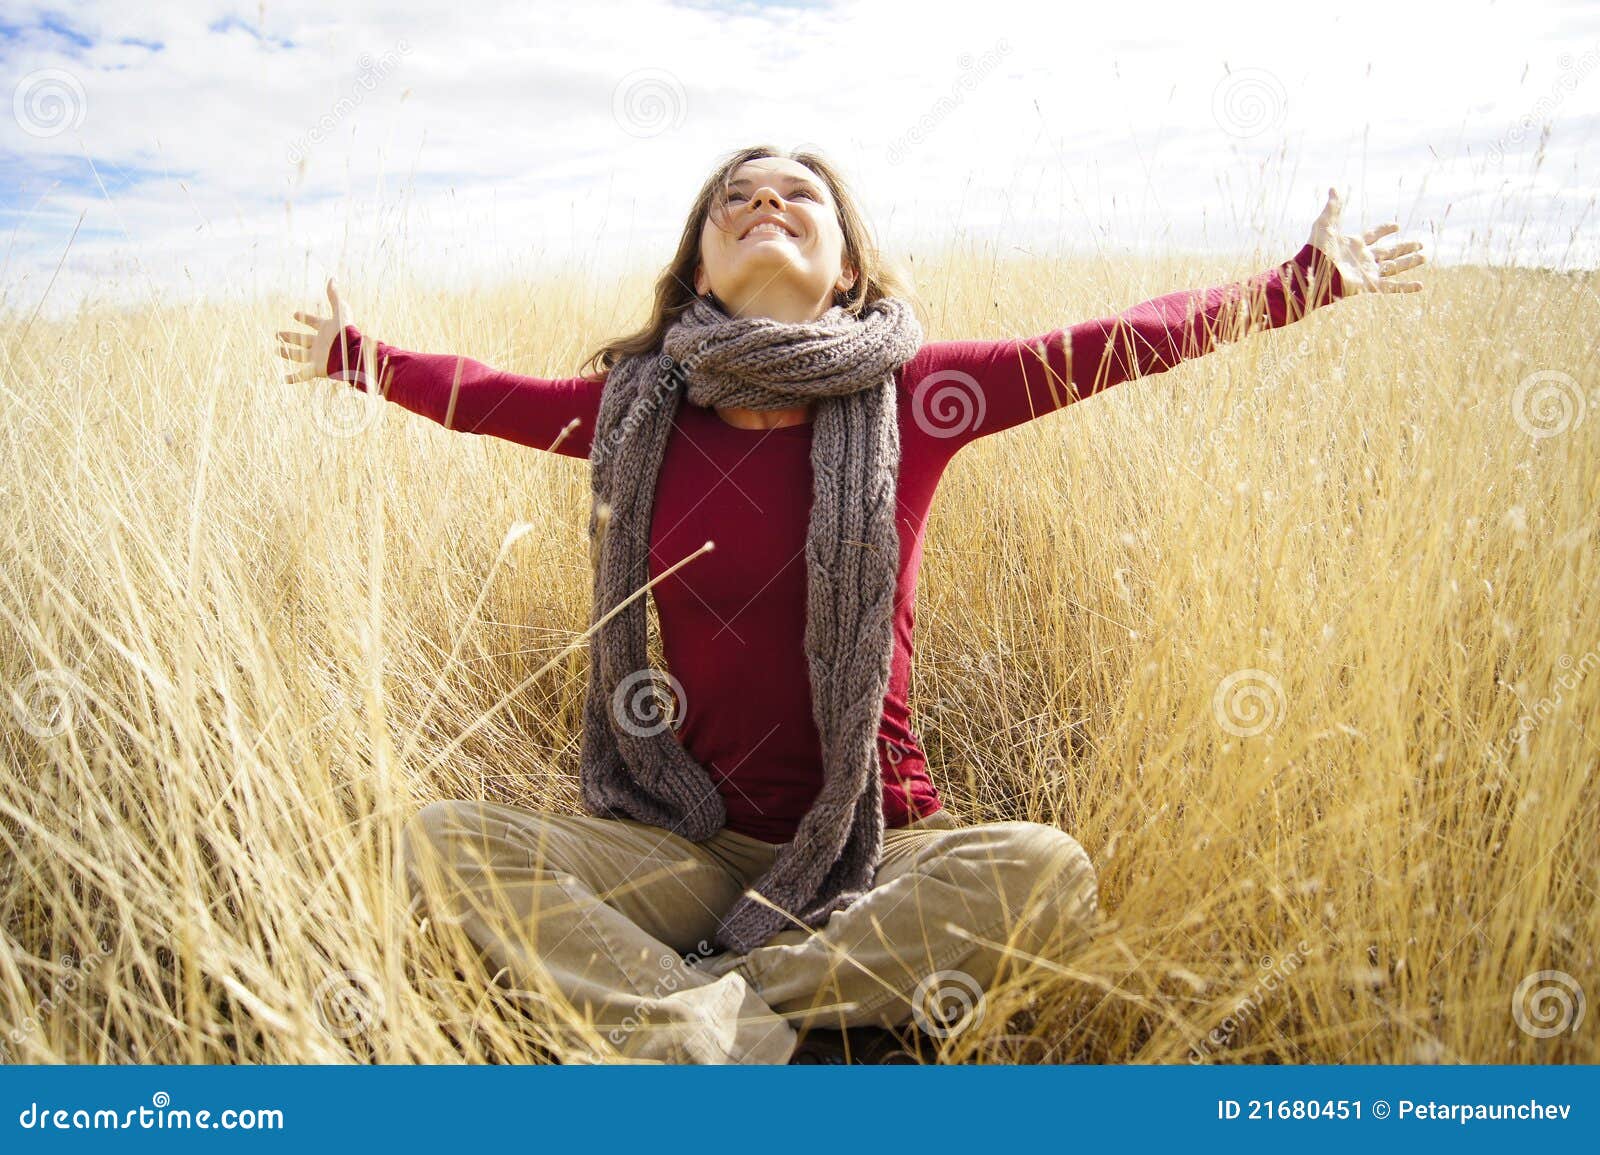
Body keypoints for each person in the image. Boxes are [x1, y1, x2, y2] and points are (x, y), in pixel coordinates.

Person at [275, 144, 1425, 1065]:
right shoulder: (638, 419)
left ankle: (697, 1021)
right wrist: (354, 354)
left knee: (1041, 869)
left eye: (796, 196)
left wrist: (1300, 285)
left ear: (847, 266)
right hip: (690, 843)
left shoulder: (918, 397)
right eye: (735, 198)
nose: (762, 203)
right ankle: (750, 1026)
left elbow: (1112, 347)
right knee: (437, 841)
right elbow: (483, 399)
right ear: (697, 268)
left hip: (874, 847)